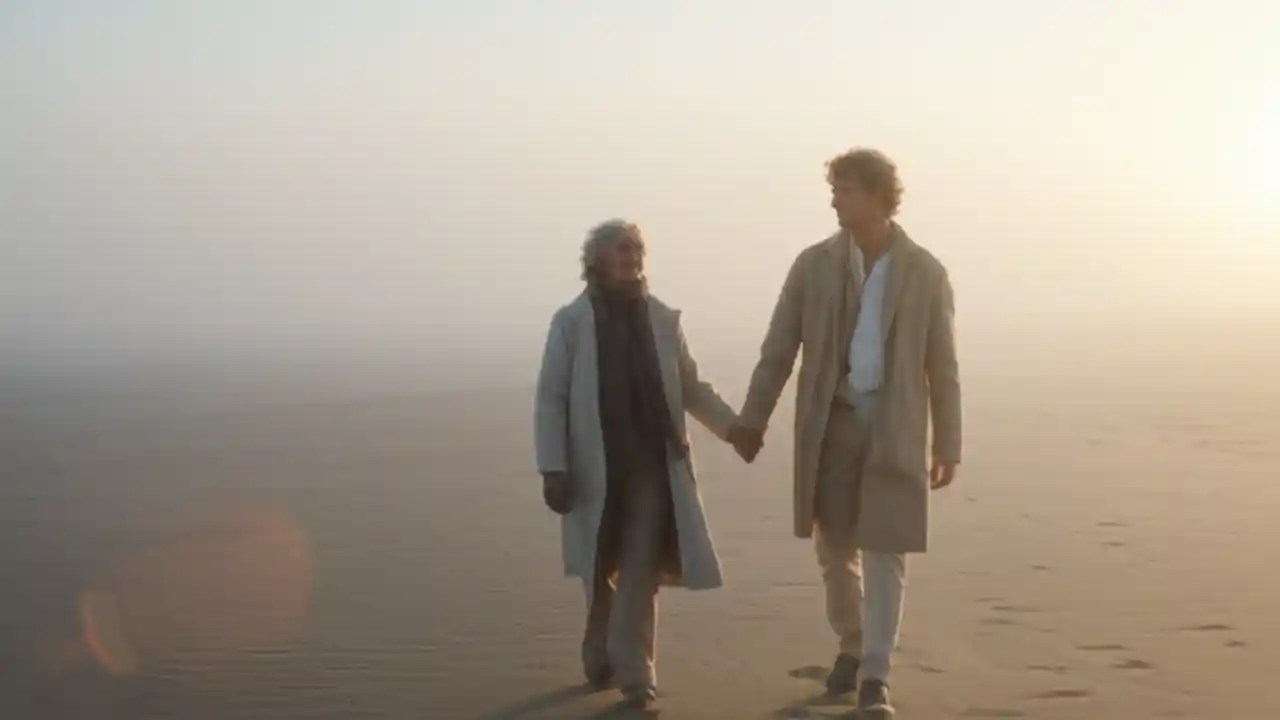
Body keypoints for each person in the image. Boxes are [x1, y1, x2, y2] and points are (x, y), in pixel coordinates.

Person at [731, 149, 963, 717]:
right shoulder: (813, 266)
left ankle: (876, 675)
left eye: (845, 189)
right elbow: (778, 349)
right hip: (830, 424)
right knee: (835, 549)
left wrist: (948, 443)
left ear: (879, 195)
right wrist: (753, 419)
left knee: (886, 551)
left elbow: (943, 365)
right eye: (834, 189)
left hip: (894, 427)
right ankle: (852, 645)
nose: (835, 199)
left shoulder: (925, 272)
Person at [533, 220, 741, 709]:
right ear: (598, 259)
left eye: (638, 249)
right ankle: (601, 649)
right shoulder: (571, 322)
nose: (633, 257)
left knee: (640, 573)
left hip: (652, 467)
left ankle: (637, 676)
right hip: (594, 469)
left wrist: (735, 429)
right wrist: (552, 468)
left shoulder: (663, 319)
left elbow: (690, 387)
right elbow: (551, 398)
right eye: (622, 249)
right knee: (599, 568)